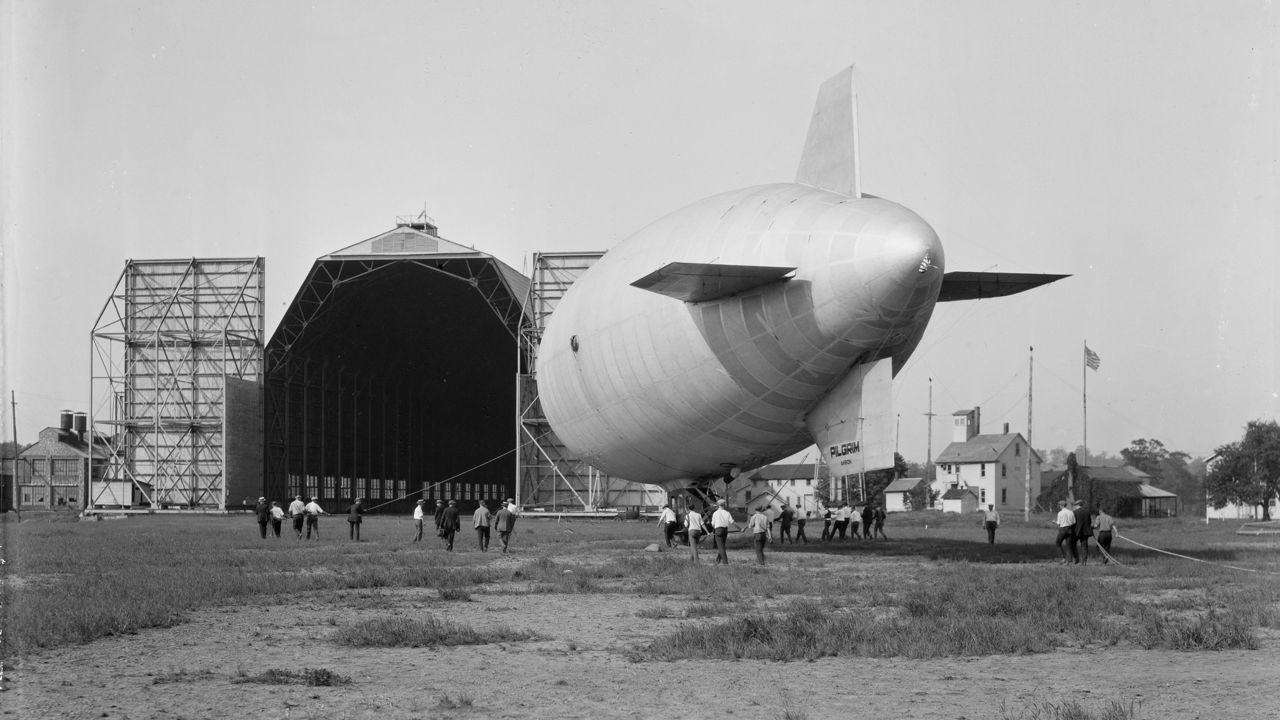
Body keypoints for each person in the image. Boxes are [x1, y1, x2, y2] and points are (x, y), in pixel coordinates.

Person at [710, 499, 736, 565]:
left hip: (718, 530)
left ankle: (725, 563)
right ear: (724, 505)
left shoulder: (715, 513)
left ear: (718, 505)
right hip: (725, 530)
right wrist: (740, 528)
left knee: (721, 547)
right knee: (722, 546)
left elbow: (713, 524)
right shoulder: (727, 513)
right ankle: (718, 560)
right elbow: (732, 522)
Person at [1054, 500, 1078, 564]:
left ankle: (1063, 558)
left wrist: (1054, 522)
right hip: (1070, 529)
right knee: (1069, 545)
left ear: (1061, 505)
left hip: (1063, 529)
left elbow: (1059, 523)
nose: (1059, 506)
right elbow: (1074, 522)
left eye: (1059, 505)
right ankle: (1069, 560)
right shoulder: (1071, 512)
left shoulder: (1060, 513)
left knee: (1058, 543)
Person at [1073, 500, 1093, 564]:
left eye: (1075, 505)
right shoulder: (1087, 512)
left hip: (1076, 531)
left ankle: (1076, 559)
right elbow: (1089, 521)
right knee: (1084, 546)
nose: (1075, 506)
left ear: (1077, 505)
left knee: (1072, 545)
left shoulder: (1074, 512)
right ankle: (1084, 561)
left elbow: (1073, 522)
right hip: (1085, 532)